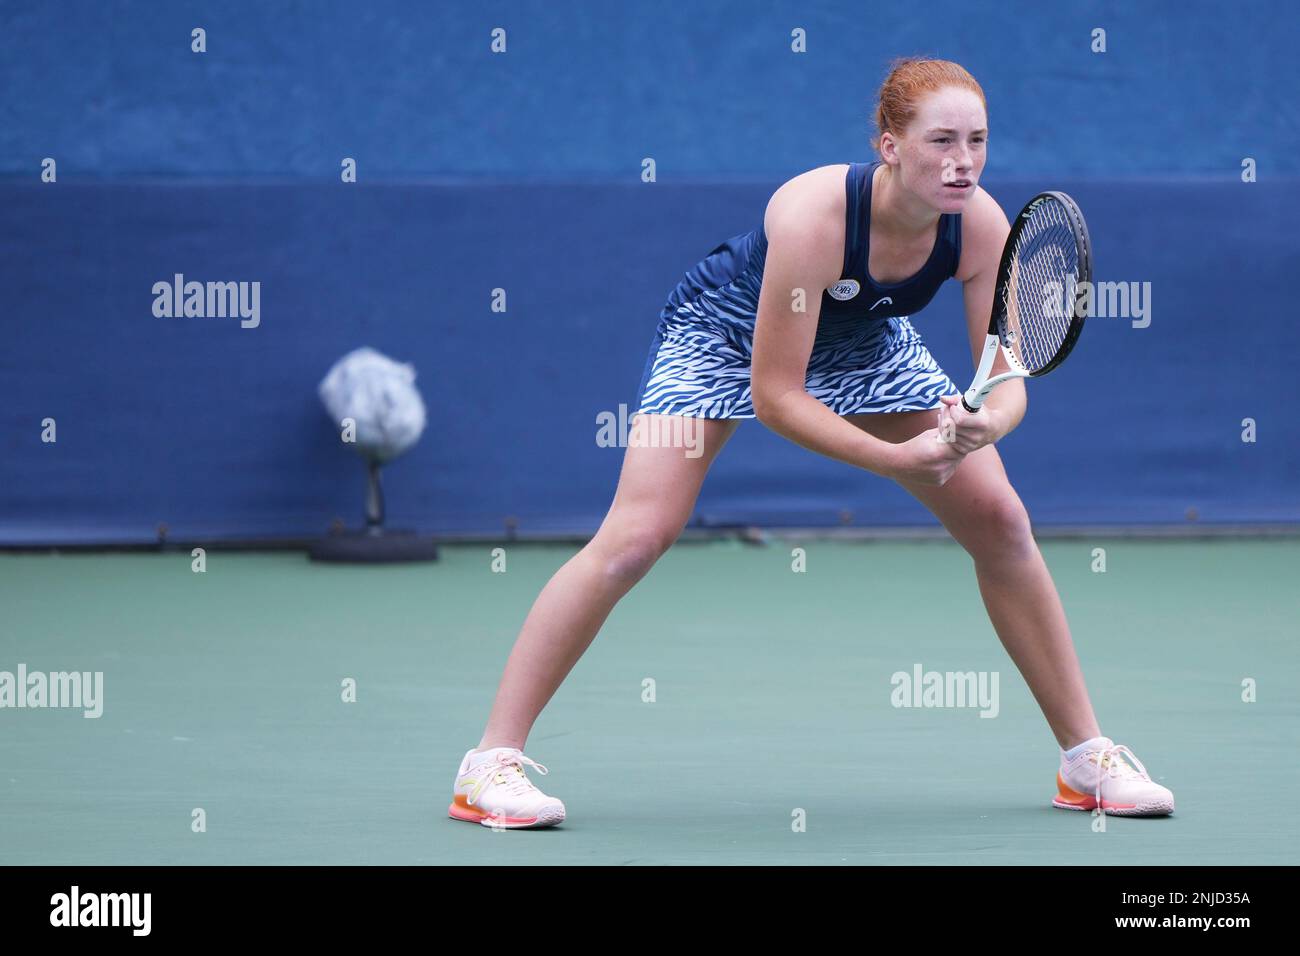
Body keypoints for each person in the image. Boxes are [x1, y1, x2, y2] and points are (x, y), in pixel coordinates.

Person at [448, 57, 1174, 829]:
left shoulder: (982, 227)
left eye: (978, 140)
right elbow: (778, 396)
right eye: (940, 141)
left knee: (1001, 520)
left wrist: (986, 423)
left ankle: (1084, 757)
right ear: (889, 146)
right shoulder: (813, 216)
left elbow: (1006, 377)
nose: (962, 162)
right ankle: (488, 763)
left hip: (869, 347)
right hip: (718, 341)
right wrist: (899, 459)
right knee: (633, 539)